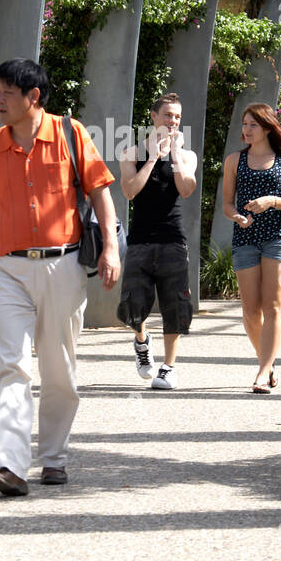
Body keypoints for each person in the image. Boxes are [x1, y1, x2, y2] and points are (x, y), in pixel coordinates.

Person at [0, 59, 120, 496]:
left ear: (33, 97)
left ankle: (53, 458)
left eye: (7, 93)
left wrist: (110, 247)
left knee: (59, 371)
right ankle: (11, 466)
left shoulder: (70, 135)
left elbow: (99, 193)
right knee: (11, 365)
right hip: (8, 269)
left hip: (63, 265)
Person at [117, 93, 198, 389]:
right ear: (153, 116)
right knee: (134, 304)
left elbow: (187, 189)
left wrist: (173, 155)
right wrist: (152, 158)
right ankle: (142, 342)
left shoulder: (187, 156)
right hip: (140, 238)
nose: (173, 121)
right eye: (167, 115)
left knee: (174, 304)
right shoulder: (131, 153)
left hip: (172, 237)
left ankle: (168, 366)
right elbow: (130, 191)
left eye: (177, 117)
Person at [221, 103, 281, 394]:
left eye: (252, 125)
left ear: (267, 128)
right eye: (244, 124)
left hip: (278, 237)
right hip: (245, 238)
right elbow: (227, 204)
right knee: (249, 312)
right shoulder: (235, 160)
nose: (246, 129)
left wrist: (271, 200)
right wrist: (237, 217)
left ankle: (262, 371)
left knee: (273, 306)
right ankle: (267, 362)